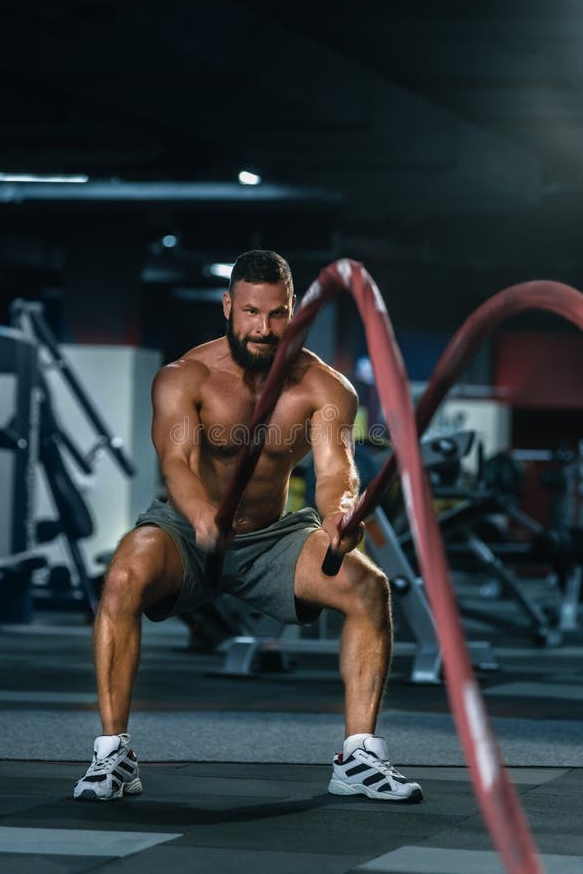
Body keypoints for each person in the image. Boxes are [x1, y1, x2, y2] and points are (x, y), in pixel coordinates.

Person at [74, 249, 423, 804]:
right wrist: (200, 517)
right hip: (187, 532)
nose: (264, 328)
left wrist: (341, 515)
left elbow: (337, 471)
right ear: (228, 306)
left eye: (278, 314)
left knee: (368, 587)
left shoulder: (324, 387)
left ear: (296, 313)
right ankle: (113, 754)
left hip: (271, 537)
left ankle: (358, 756)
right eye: (251, 312)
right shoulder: (184, 377)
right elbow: (177, 466)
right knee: (123, 574)